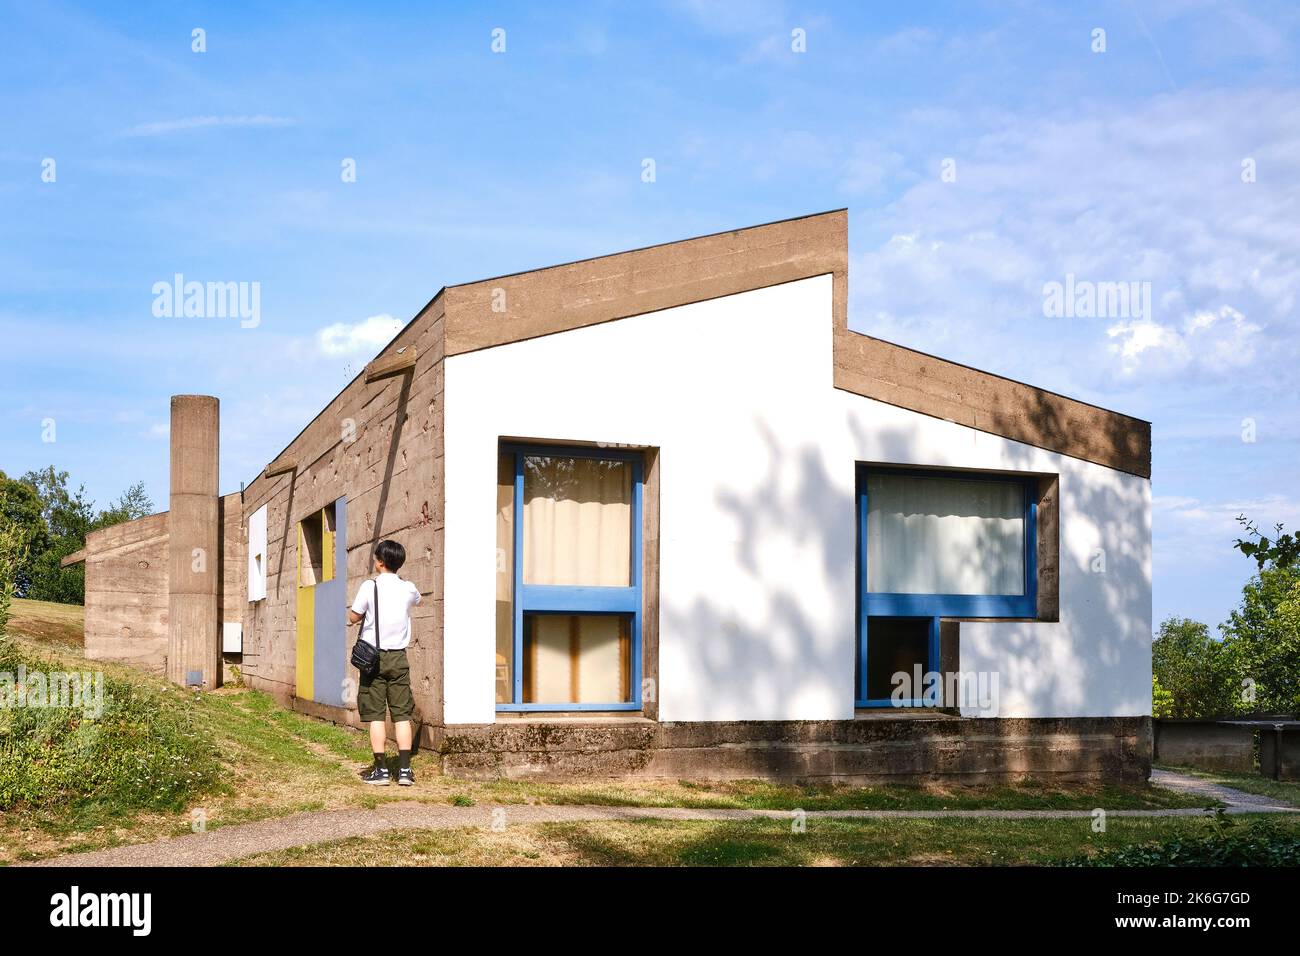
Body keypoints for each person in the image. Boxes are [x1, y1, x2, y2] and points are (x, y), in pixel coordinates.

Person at [348, 539, 422, 786]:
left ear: (380, 562)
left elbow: (353, 616)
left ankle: (380, 771)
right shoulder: (408, 588)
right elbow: (417, 600)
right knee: (402, 714)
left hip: (373, 658)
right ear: (399, 563)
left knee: (376, 714)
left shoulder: (370, 586)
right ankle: (404, 771)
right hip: (399, 657)